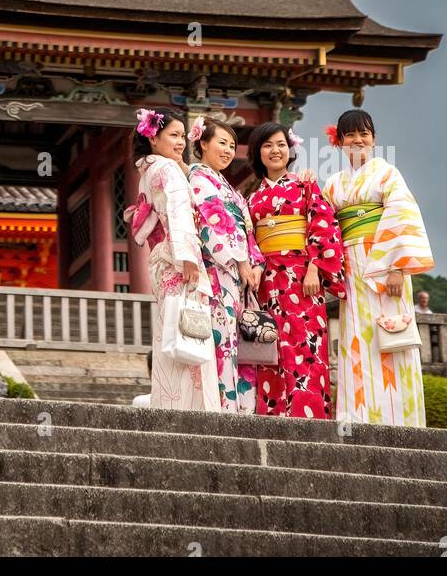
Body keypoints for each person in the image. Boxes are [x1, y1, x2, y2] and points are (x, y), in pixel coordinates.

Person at [322, 110, 433, 427]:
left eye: (364, 134)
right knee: (356, 339)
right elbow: (325, 224)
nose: (358, 140)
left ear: (373, 139)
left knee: (392, 335)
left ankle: (401, 420)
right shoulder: (334, 184)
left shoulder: (387, 174)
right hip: (350, 269)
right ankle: (358, 416)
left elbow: (402, 216)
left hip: (384, 267)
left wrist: (399, 267)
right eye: (351, 135)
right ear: (340, 141)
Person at [246, 121, 345, 418]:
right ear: (257, 153)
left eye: (280, 144)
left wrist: (315, 267)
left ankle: (310, 418)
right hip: (268, 282)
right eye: (267, 146)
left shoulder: (306, 186)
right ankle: (273, 418)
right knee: (269, 351)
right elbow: (250, 242)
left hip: (301, 279)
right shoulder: (252, 199)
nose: (275, 151)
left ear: (290, 150)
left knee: (306, 349)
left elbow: (324, 226)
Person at [125, 107, 220, 411]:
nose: (180, 142)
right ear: (153, 138)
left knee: (171, 333)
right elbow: (179, 212)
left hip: (163, 260)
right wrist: (188, 258)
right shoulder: (166, 170)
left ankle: (170, 402)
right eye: (174, 135)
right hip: (179, 260)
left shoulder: (149, 170)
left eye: (182, 136)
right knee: (190, 332)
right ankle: (193, 408)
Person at [186, 115, 264, 414]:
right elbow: (213, 226)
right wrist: (242, 262)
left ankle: (240, 407)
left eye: (232, 145)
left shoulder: (226, 186)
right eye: (221, 143)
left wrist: (255, 264)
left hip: (237, 276)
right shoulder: (198, 179)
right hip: (217, 273)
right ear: (202, 144)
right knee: (220, 340)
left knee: (235, 343)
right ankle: (221, 408)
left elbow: (246, 229)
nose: (229, 151)